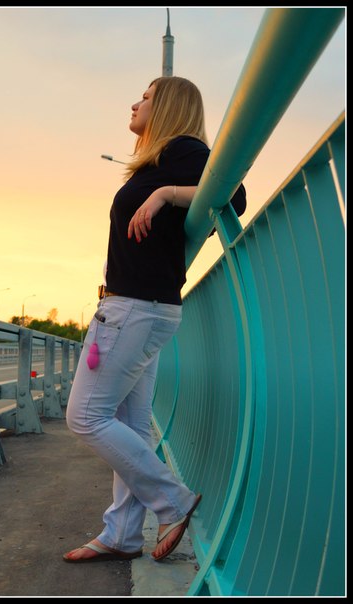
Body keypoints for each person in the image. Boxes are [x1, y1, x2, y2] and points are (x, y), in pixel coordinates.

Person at [63, 76, 246, 563]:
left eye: (145, 98)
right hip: (141, 310)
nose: (135, 103)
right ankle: (122, 535)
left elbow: (235, 195)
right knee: (129, 424)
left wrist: (165, 193)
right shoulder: (159, 160)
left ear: (168, 106)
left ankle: (173, 501)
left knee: (84, 416)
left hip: (134, 311)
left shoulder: (184, 151)